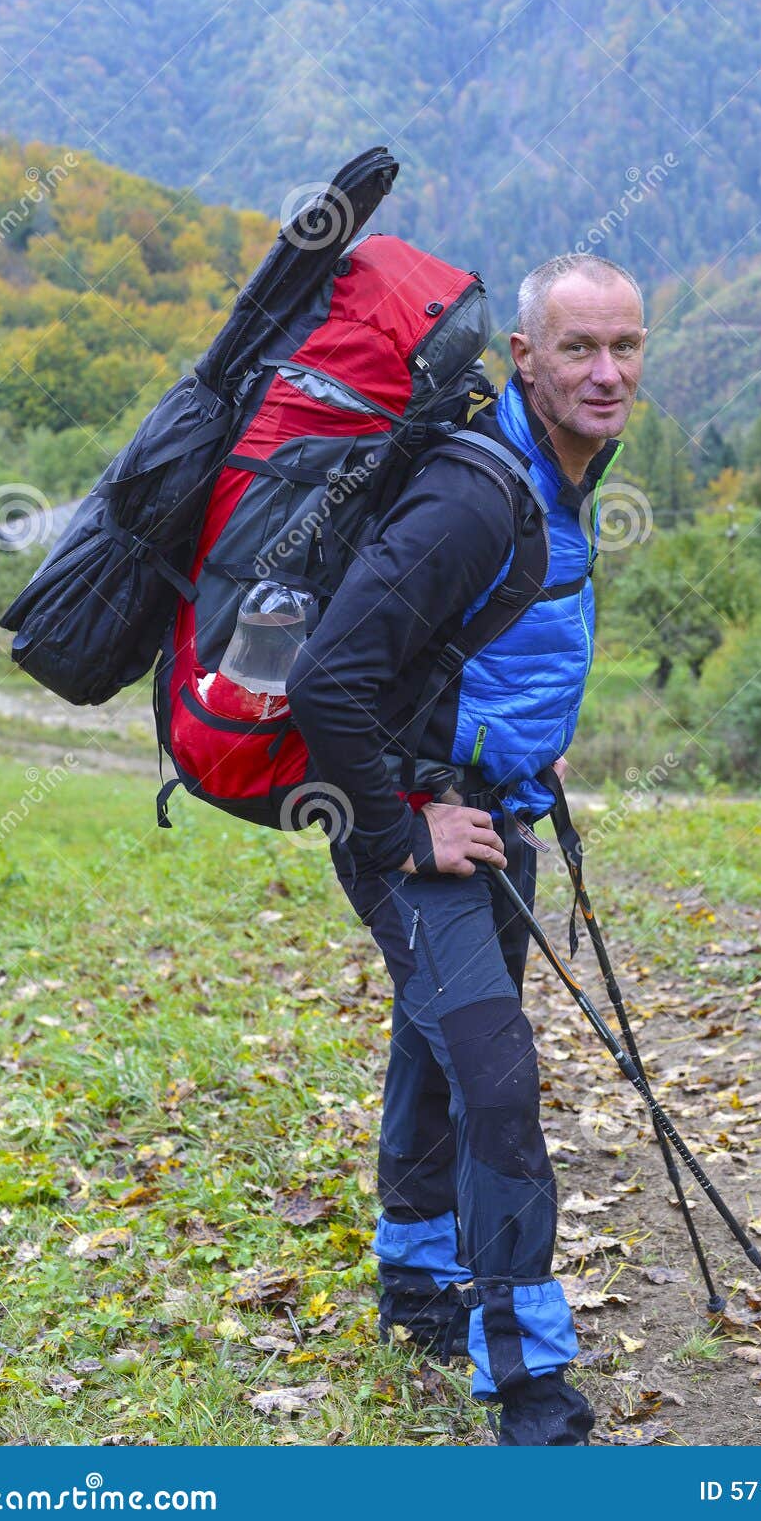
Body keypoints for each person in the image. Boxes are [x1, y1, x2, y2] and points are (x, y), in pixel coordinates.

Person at [286, 253, 647, 1445]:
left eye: (627, 346)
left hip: (489, 814)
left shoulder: (556, 471)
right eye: (581, 349)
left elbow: (482, 644)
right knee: (496, 1075)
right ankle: (530, 1389)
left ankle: (414, 1284)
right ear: (525, 360)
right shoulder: (476, 493)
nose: (608, 372)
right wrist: (403, 830)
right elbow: (328, 676)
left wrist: (520, 751)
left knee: (440, 1048)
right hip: (411, 826)